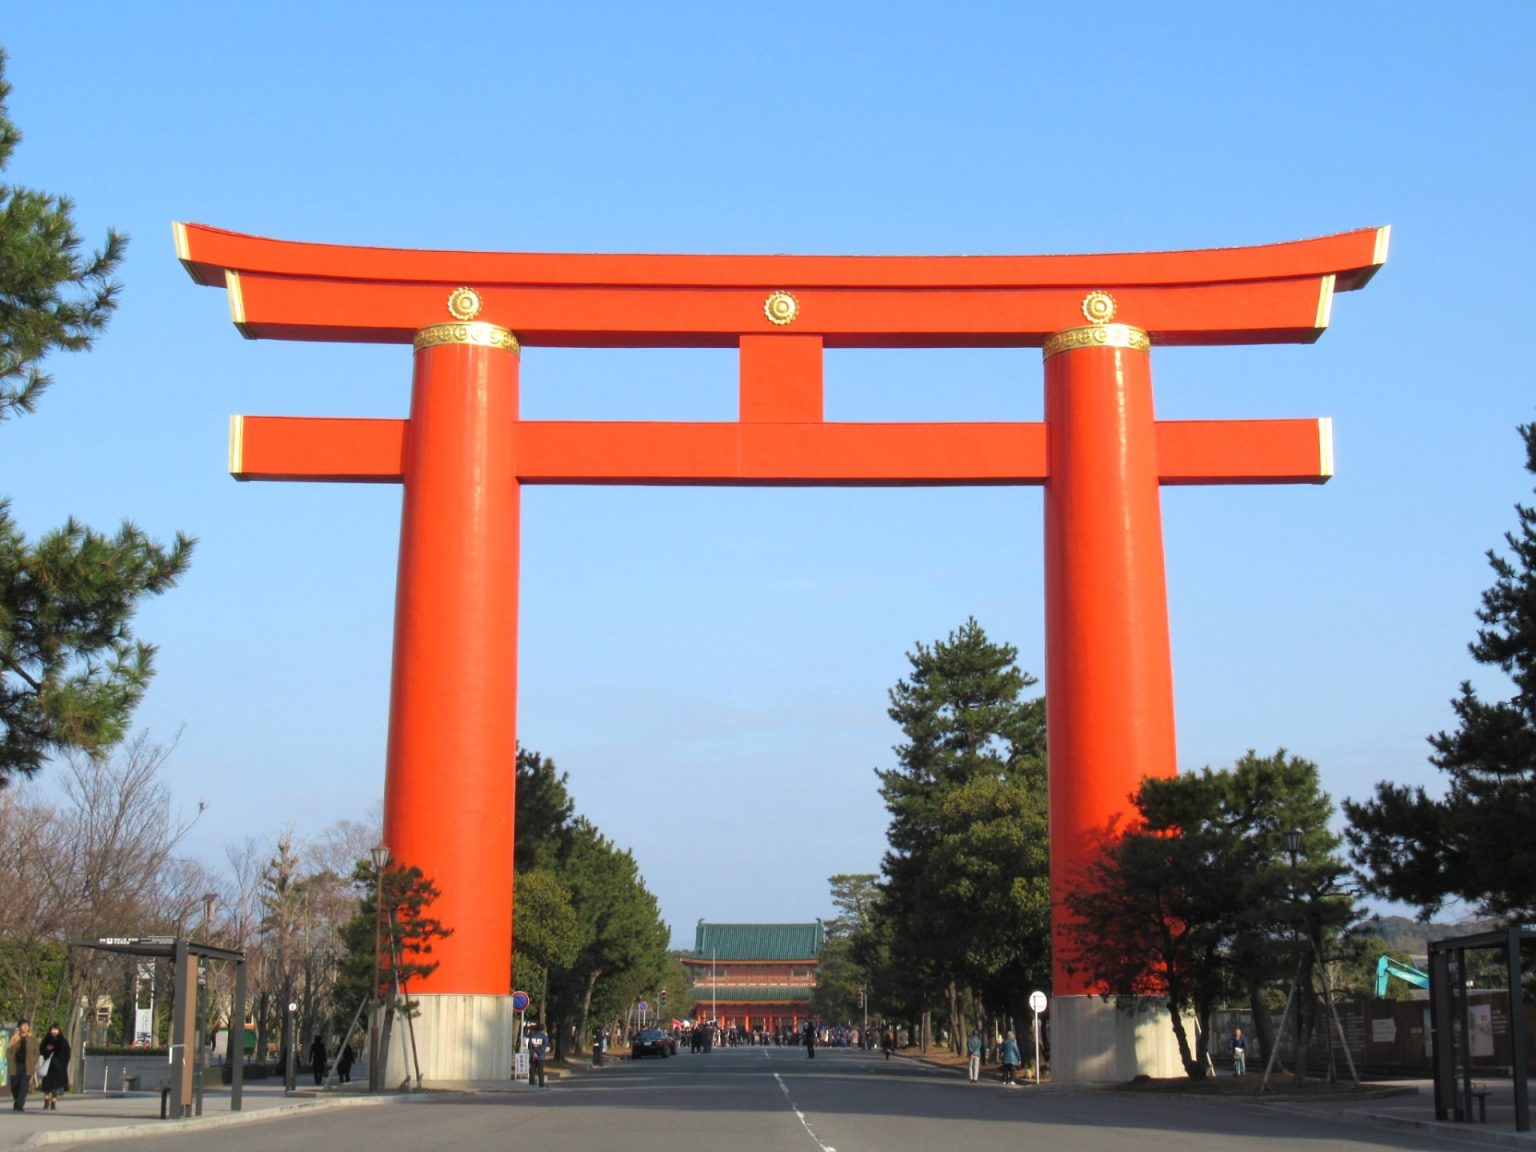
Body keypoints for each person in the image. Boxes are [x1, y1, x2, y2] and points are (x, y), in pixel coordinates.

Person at [6, 1020, 39, 1111]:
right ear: (19, 1027)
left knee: (23, 1086)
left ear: (28, 1027)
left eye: (26, 1026)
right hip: (16, 1064)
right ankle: (17, 1100)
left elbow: (36, 1053)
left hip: (27, 1065)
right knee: (14, 1085)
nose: (25, 1027)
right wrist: (9, 1058)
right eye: (23, 1025)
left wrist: (34, 1062)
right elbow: (9, 1051)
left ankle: (19, 1105)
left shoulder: (33, 1039)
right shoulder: (14, 1038)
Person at [38, 1024, 70, 1110]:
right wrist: (47, 1049)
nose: (54, 1032)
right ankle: (46, 1101)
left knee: (56, 1086)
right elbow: (41, 1050)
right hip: (49, 1066)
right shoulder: (46, 1040)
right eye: (53, 1030)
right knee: (47, 1086)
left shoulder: (63, 1041)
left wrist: (64, 1064)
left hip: (59, 1067)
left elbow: (67, 1054)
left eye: (56, 1030)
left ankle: (53, 1102)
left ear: (59, 1031)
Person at [526, 1022, 549, 1087]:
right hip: (540, 1056)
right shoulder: (544, 1036)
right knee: (540, 1071)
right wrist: (538, 1053)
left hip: (533, 1056)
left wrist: (533, 1053)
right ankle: (541, 1084)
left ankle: (531, 1083)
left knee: (532, 1070)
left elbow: (529, 1045)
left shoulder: (532, 1035)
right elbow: (544, 1047)